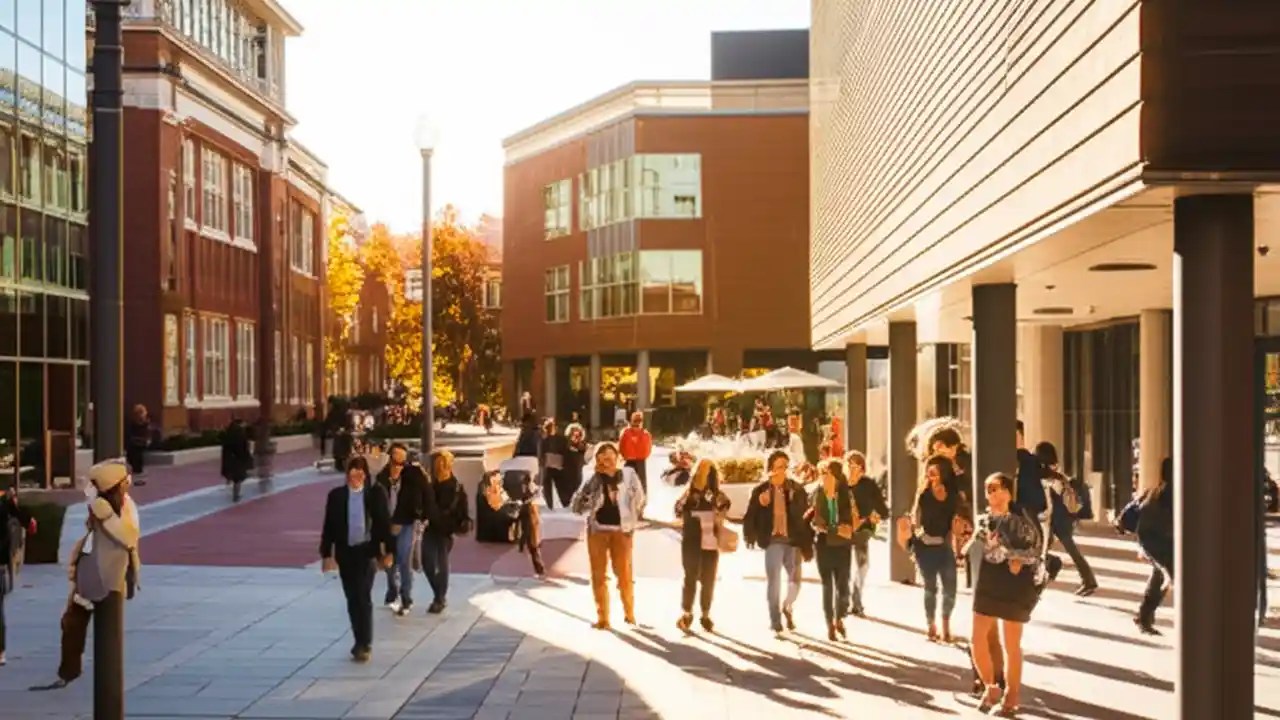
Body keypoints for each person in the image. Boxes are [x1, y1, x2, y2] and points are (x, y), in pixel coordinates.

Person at [33, 461, 141, 689]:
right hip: (91, 574)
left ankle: (79, 674)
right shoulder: (104, 504)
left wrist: (105, 515)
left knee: (91, 626)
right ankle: (69, 671)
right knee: (72, 622)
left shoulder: (120, 507)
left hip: (106, 577)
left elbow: (128, 537)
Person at [969, 472, 1045, 716]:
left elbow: (1035, 549)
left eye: (997, 488)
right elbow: (977, 543)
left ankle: (1011, 700)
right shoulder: (984, 520)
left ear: (1009, 492)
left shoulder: (1022, 517)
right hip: (989, 580)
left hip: (1015, 583)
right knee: (976, 638)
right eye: (988, 489)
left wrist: (1015, 557)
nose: (992, 494)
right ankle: (991, 687)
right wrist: (966, 545)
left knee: (1012, 644)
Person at [320, 456, 393, 662]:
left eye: (360, 473)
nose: (356, 477)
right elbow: (328, 528)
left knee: (363, 596)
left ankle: (365, 643)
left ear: (365, 475)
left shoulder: (375, 494)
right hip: (346, 553)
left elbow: (384, 523)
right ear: (347, 475)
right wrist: (326, 554)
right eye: (352, 473)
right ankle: (358, 639)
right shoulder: (336, 496)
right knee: (352, 598)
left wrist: (388, 552)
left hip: (366, 552)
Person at [570, 442, 646, 629]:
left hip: (622, 532)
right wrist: (591, 490)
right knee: (598, 575)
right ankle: (603, 618)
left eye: (611, 458)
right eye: (602, 459)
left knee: (624, 574)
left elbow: (640, 498)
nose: (607, 463)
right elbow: (577, 507)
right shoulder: (593, 479)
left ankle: (629, 613)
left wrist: (630, 517)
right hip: (598, 531)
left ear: (617, 458)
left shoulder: (628, 475)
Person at [743, 450, 812, 634]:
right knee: (774, 581)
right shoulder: (761, 491)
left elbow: (804, 517)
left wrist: (808, 545)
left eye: (785, 466)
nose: (782, 470)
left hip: (793, 540)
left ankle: (787, 606)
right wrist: (760, 504)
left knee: (795, 581)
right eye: (779, 466)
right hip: (773, 540)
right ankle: (775, 620)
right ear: (771, 468)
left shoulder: (796, 489)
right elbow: (750, 516)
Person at [902, 455, 960, 642]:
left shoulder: (953, 495)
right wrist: (914, 538)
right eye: (929, 472)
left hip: (943, 547)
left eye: (935, 472)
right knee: (930, 588)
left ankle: (946, 623)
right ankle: (931, 625)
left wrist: (958, 549)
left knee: (950, 587)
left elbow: (955, 522)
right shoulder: (924, 494)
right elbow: (914, 519)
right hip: (925, 547)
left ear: (943, 473)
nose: (931, 476)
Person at [674, 458, 731, 633]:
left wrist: (717, 508)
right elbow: (677, 509)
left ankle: (705, 615)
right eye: (701, 471)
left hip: (711, 544)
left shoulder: (716, 494)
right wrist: (693, 497)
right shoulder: (689, 494)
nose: (704, 476)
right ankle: (687, 612)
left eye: (708, 472)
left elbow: (725, 505)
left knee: (708, 580)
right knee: (690, 578)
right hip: (692, 542)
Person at [375, 443, 432, 616]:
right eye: (395, 459)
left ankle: (406, 597)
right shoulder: (381, 479)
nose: (399, 464)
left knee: (404, 558)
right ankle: (392, 589)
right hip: (386, 524)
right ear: (389, 458)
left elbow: (422, 497)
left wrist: (422, 516)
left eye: (403, 461)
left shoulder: (412, 477)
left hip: (406, 523)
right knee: (389, 560)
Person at [1036, 442, 1098, 596]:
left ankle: (1088, 580)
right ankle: (1087, 580)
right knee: (1057, 549)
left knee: (1045, 549)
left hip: (1056, 520)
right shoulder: (1057, 474)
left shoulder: (1045, 476)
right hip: (1063, 519)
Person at [808, 459, 859, 641]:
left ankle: (839, 618)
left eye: (826, 473)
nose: (823, 478)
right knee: (827, 585)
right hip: (823, 546)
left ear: (836, 476)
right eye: (821, 474)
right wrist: (835, 529)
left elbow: (850, 523)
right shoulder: (818, 494)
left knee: (843, 587)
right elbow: (818, 522)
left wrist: (835, 528)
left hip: (843, 548)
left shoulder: (846, 495)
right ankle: (830, 623)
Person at [422, 450, 472, 614]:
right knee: (427, 562)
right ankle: (438, 594)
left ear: (450, 466)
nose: (441, 467)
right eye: (439, 464)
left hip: (446, 531)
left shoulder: (456, 487)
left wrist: (461, 523)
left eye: (444, 464)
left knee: (441, 564)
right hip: (431, 528)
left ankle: (439, 598)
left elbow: (463, 511)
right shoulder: (431, 485)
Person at [846, 450, 888, 617]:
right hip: (842, 531)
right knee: (844, 568)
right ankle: (846, 599)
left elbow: (882, 509)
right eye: (849, 465)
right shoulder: (839, 485)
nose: (852, 469)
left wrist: (876, 515)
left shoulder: (868, 484)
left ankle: (856, 599)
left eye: (856, 466)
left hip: (862, 530)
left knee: (863, 566)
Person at [0, 486, 33, 666]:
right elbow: (22, 516)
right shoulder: (4, 503)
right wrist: (29, 522)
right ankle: (0, 651)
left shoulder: (4, 503)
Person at [619, 411, 653, 496]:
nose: (637, 423)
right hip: (629, 460)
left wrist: (643, 456)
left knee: (641, 482)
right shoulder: (626, 433)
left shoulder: (645, 434)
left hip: (640, 461)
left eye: (639, 420)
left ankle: (643, 498)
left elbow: (648, 448)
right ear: (631, 421)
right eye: (635, 420)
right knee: (628, 481)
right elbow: (621, 446)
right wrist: (625, 456)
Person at [540, 419, 570, 509]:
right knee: (547, 485)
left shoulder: (561, 439)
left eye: (551, 427)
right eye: (548, 428)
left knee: (559, 485)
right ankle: (550, 504)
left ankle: (564, 502)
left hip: (558, 465)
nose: (550, 430)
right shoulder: (544, 440)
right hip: (549, 466)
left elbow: (565, 451)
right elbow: (541, 453)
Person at [221, 418, 253, 503]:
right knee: (238, 478)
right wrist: (247, 458)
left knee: (234, 475)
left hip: (229, 458)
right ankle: (236, 496)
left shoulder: (229, 432)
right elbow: (243, 448)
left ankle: (229, 481)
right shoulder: (240, 434)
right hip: (238, 459)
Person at [125, 405, 151, 483]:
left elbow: (147, 433)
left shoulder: (145, 423)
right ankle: (137, 470)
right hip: (134, 443)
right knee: (133, 455)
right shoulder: (133, 423)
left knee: (138, 456)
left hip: (139, 443)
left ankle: (138, 470)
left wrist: (147, 439)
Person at [563, 422, 589, 495]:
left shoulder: (584, 445)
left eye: (578, 435)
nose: (576, 436)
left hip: (579, 472)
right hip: (569, 471)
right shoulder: (565, 444)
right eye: (574, 434)